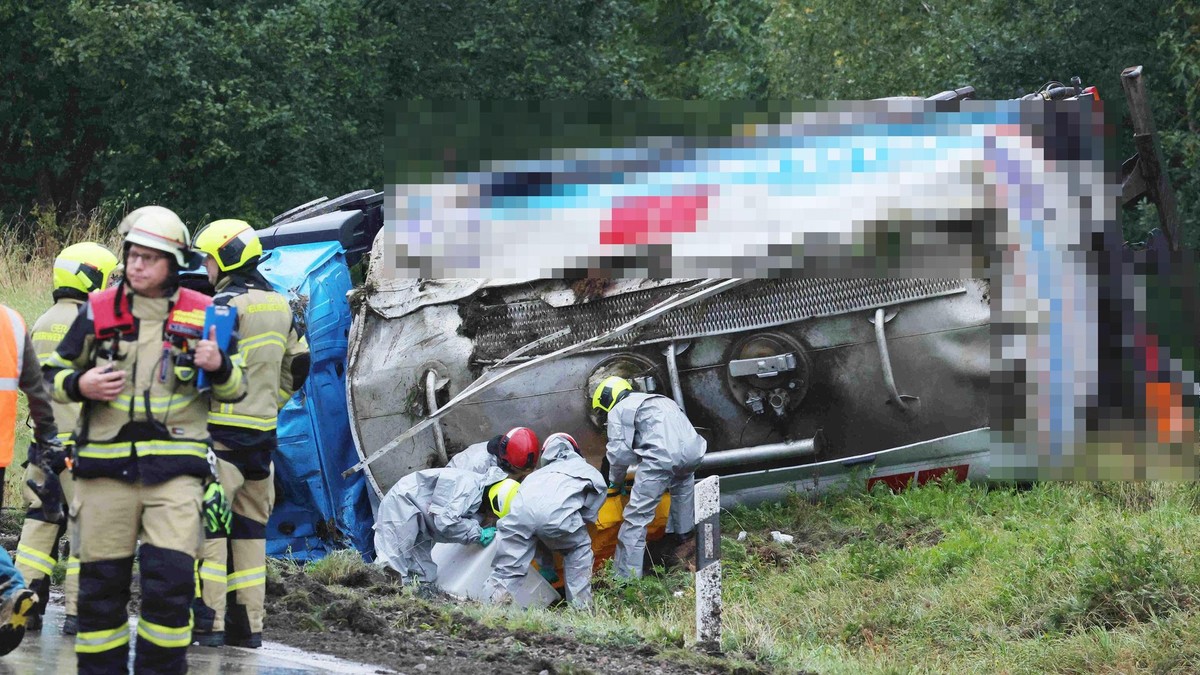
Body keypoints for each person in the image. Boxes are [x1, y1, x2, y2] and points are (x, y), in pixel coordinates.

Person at [44, 206, 246, 674]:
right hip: (104, 475)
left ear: (174, 263)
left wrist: (218, 365)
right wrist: (82, 385)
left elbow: (235, 389)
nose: (137, 265)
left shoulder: (205, 314)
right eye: (132, 255)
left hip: (174, 475)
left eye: (149, 258)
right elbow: (52, 375)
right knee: (100, 593)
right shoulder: (97, 312)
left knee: (170, 586)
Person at [189, 219, 310, 649]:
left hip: (220, 443)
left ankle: (210, 624)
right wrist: (270, 404)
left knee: (212, 532)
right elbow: (298, 366)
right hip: (262, 444)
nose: (204, 268)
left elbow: (209, 371)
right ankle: (250, 629)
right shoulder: (280, 304)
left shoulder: (223, 305)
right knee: (252, 538)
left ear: (224, 257)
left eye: (207, 259)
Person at [15, 242, 118, 636]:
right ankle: (78, 616)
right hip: (83, 448)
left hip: (43, 445)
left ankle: (22, 610)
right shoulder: (97, 326)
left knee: (39, 527)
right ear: (92, 279)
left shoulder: (39, 323)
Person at [590, 376, 705, 579]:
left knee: (636, 516)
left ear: (608, 399)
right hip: (693, 451)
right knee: (681, 492)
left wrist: (614, 484)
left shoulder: (620, 409)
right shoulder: (661, 400)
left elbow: (619, 455)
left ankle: (626, 577)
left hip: (662, 457)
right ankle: (682, 539)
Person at [483, 432, 606, 608]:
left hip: (518, 516)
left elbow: (534, 522)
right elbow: (587, 516)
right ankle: (581, 611)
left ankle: (486, 610)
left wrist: (545, 564)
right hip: (556, 518)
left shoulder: (534, 476)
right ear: (575, 450)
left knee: (506, 571)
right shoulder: (589, 472)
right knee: (578, 550)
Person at [0, 301, 60, 656]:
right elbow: (38, 391)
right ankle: (10, 589)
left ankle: (9, 588)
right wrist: (48, 438)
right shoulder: (12, 320)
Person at [373, 466, 509, 584]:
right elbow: (445, 522)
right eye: (494, 514)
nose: (492, 517)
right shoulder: (468, 486)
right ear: (493, 503)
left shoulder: (478, 495)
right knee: (391, 568)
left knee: (424, 574)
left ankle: (405, 608)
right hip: (402, 506)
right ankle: (368, 602)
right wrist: (477, 534)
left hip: (420, 521)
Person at [446, 426, 540, 476]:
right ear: (507, 463)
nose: (529, 472)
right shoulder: (474, 465)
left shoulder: (511, 456)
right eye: (523, 470)